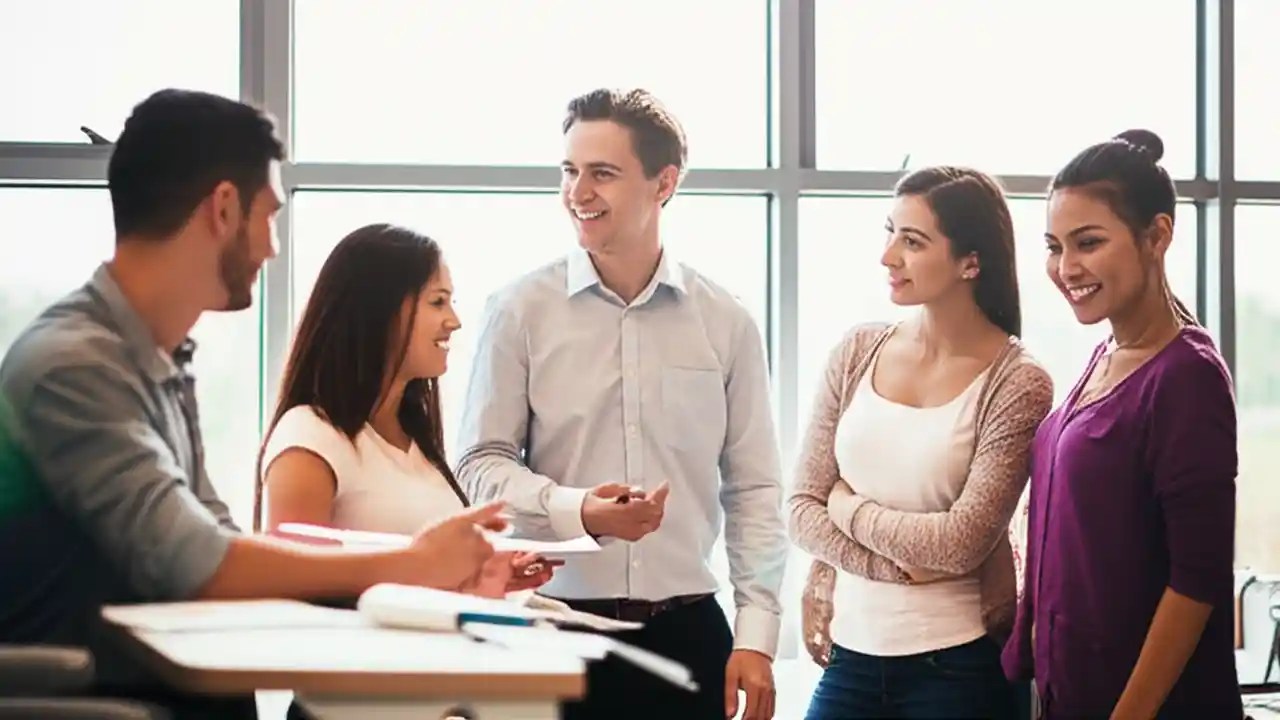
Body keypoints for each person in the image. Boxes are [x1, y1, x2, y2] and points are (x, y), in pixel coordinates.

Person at [0, 89, 505, 720]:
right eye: (268, 217)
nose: (270, 248)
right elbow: (196, 562)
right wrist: (411, 561)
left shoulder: (157, 362)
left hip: (170, 689)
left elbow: (214, 536)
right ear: (223, 207)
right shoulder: (72, 366)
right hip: (105, 698)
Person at [456, 88, 788, 720]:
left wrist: (757, 636)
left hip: (692, 639)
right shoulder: (518, 311)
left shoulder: (727, 322)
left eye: (602, 173)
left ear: (664, 184)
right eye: (569, 171)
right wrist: (576, 509)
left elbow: (753, 490)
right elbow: (480, 464)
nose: (579, 192)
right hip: (554, 634)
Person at [788, 166, 1054, 719]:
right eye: (890, 233)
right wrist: (896, 568)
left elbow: (960, 544)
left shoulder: (1018, 382)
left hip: (957, 668)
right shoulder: (857, 350)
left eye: (912, 241)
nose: (889, 255)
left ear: (970, 261)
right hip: (850, 658)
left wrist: (847, 506)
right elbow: (799, 511)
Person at [1001, 130, 1241, 719]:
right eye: (1055, 246)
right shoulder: (1105, 354)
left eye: (1088, 243)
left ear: (1157, 235)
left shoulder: (1187, 377)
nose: (1066, 267)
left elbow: (1196, 583)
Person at [256, 223, 553, 595]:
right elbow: (293, 585)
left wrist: (483, 577)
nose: (454, 321)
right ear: (379, 309)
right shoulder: (310, 436)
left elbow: (419, 584)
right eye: (437, 301)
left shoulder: (418, 445)